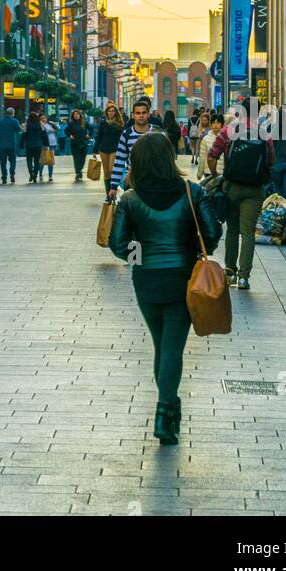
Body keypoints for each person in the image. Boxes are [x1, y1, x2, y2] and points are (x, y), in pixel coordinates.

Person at [109, 132, 221, 445]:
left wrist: (142, 256)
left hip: (146, 281)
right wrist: (191, 252)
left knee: (161, 345)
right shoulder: (191, 192)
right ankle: (165, 413)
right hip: (183, 279)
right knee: (172, 346)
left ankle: (167, 409)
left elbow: (118, 245)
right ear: (170, 157)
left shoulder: (130, 199)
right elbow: (211, 234)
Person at [207, 113, 273, 290]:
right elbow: (270, 161)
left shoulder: (228, 132)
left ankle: (230, 272)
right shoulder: (264, 135)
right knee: (248, 232)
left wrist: (216, 176)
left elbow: (212, 155)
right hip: (254, 189)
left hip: (232, 187)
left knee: (232, 230)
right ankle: (244, 278)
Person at [107, 97, 153, 199]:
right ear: (133, 115)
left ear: (148, 115)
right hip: (133, 181)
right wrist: (113, 187)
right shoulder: (126, 134)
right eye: (138, 113)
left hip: (154, 181)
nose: (141, 116)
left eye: (144, 113)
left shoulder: (157, 132)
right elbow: (119, 160)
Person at [96, 103, 125, 197]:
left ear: (116, 112)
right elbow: (99, 136)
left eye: (113, 111)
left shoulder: (119, 123)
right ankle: (108, 193)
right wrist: (94, 150)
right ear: (107, 112)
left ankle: (113, 191)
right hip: (103, 149)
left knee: (112, 170)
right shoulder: (103, 123)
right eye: (109, 111)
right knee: (106, 172)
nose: (111, 113)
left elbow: (122, 137)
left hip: (114, 149)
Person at [0, 106, 22, 184]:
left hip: (2, 145)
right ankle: (12, 173)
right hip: (12, 144)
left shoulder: (0, 121)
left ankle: (4, 177)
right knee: (13, 161)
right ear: (13, 114)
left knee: (3, 162)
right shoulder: (15, 121)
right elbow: (18, 130)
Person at [66, 108, 90, 182]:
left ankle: (80, 169)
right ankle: (77, 173)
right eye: (74, 115)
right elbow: (66, 131)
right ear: (73, 116)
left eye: (77, 114)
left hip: (83, 143)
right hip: (74, 144)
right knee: (76, 159)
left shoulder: (84, 123)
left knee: (82, 159)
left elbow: (91, 128)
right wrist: (70, 135)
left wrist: (89, 135)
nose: (76, 116)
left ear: (80, 115)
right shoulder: (71, 124)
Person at [195, 111, 219, 180]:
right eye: (202, 120)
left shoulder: (210, 131)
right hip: (203, 154)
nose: (203, 122)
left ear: (208, 121)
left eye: (205, 120)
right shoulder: (200, 128)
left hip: (210, 159)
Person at [23, 109, 45, 183]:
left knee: (29, 160)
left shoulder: (27, 124)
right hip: (38, 145)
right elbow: (43, 134)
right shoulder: (40, 124)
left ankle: (31, 173)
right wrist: (46, 144)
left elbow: (24, 135)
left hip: (29, 145)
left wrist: (21, 144)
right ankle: (35, 175)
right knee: (36, 161)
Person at [39, 115, 58, 181]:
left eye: (44, 118)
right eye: (41, 118)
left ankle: (50, 176)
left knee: (50, 160)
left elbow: (57, 129)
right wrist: (48, 130)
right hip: (44, 144)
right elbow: (42, 133)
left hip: (53, 143)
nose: (43, 119)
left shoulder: (50, 124)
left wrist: (53, 125)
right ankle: (40, 174)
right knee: (42, 160)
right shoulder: (40, 125)